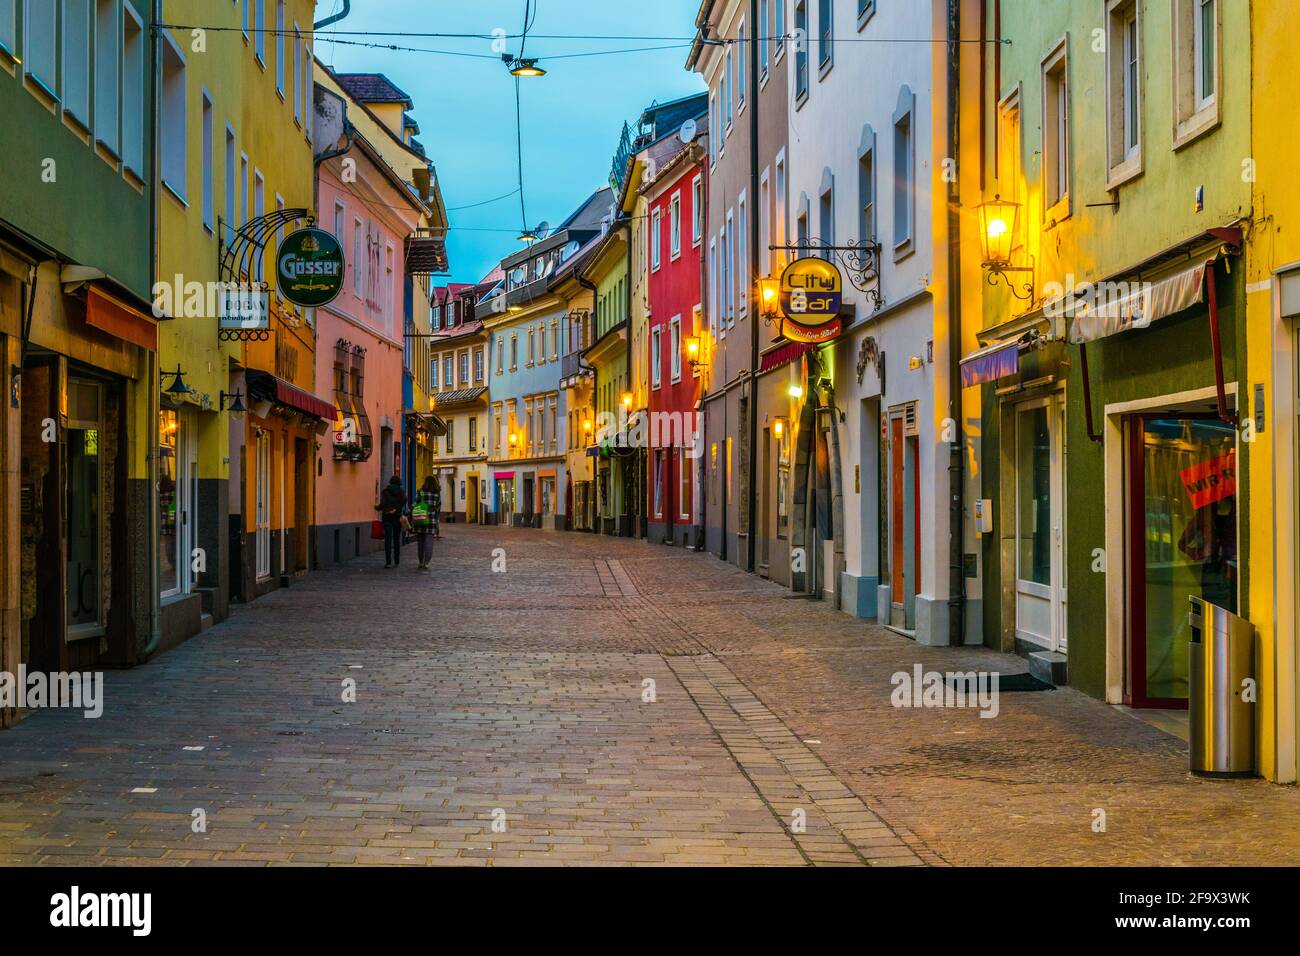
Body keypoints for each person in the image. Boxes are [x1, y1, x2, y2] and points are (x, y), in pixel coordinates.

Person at [411, 476, 442, 570]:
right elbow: (438, 508)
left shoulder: (420, 492)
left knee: (420, 542)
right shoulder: (437, 494)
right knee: (429, 542)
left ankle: (420, 561)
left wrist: (410, 511)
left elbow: (414, 504)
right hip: (431, 520)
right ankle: (426, 562)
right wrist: (436, 520)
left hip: (420, 518)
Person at [376, 474, 405, 568]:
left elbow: (383, 504)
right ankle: (397, 561)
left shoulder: (385, 491)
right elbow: (404, 500)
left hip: (387, 517)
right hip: (397, 517)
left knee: (388, 539)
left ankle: (388, 562)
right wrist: (397, 509)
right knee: (396, 539)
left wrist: (377, 507)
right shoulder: (401, 491)